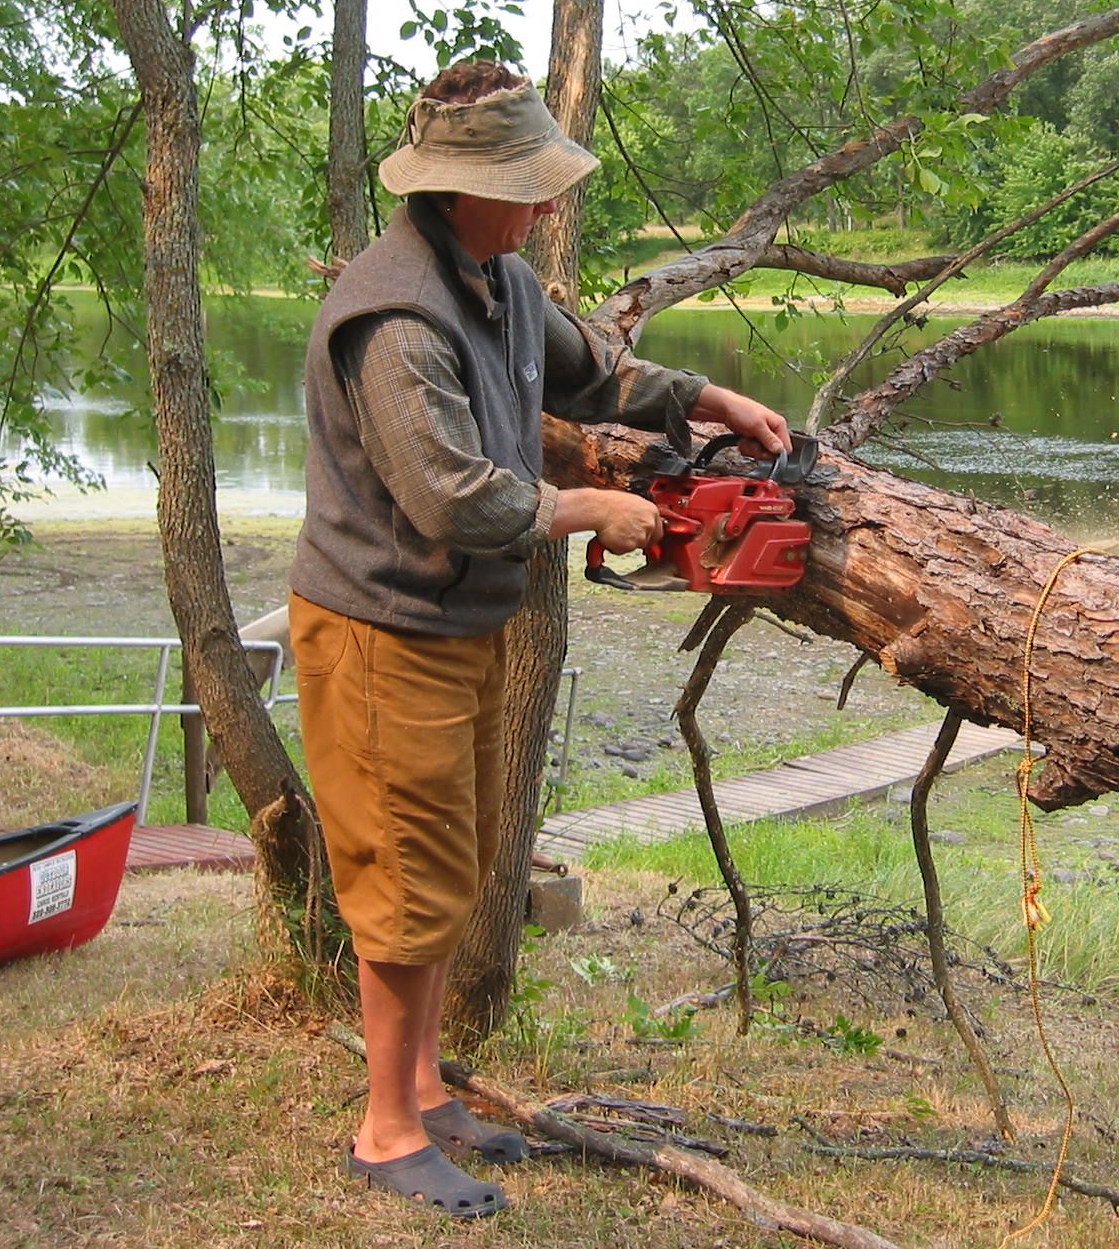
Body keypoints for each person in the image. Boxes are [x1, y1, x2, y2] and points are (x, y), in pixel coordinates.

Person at [288, 60, 789, 1219]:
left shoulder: (499, 280)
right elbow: (448, 497)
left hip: (454, 624)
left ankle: (422, 1090)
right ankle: (384, 1132)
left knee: (447, 864)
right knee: (403, 874)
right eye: (529, 184)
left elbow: (593, 372)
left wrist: (708, 401)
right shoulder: (394, 316)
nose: (547, 201)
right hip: (380, 631)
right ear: (461, 188)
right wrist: (582, 509)